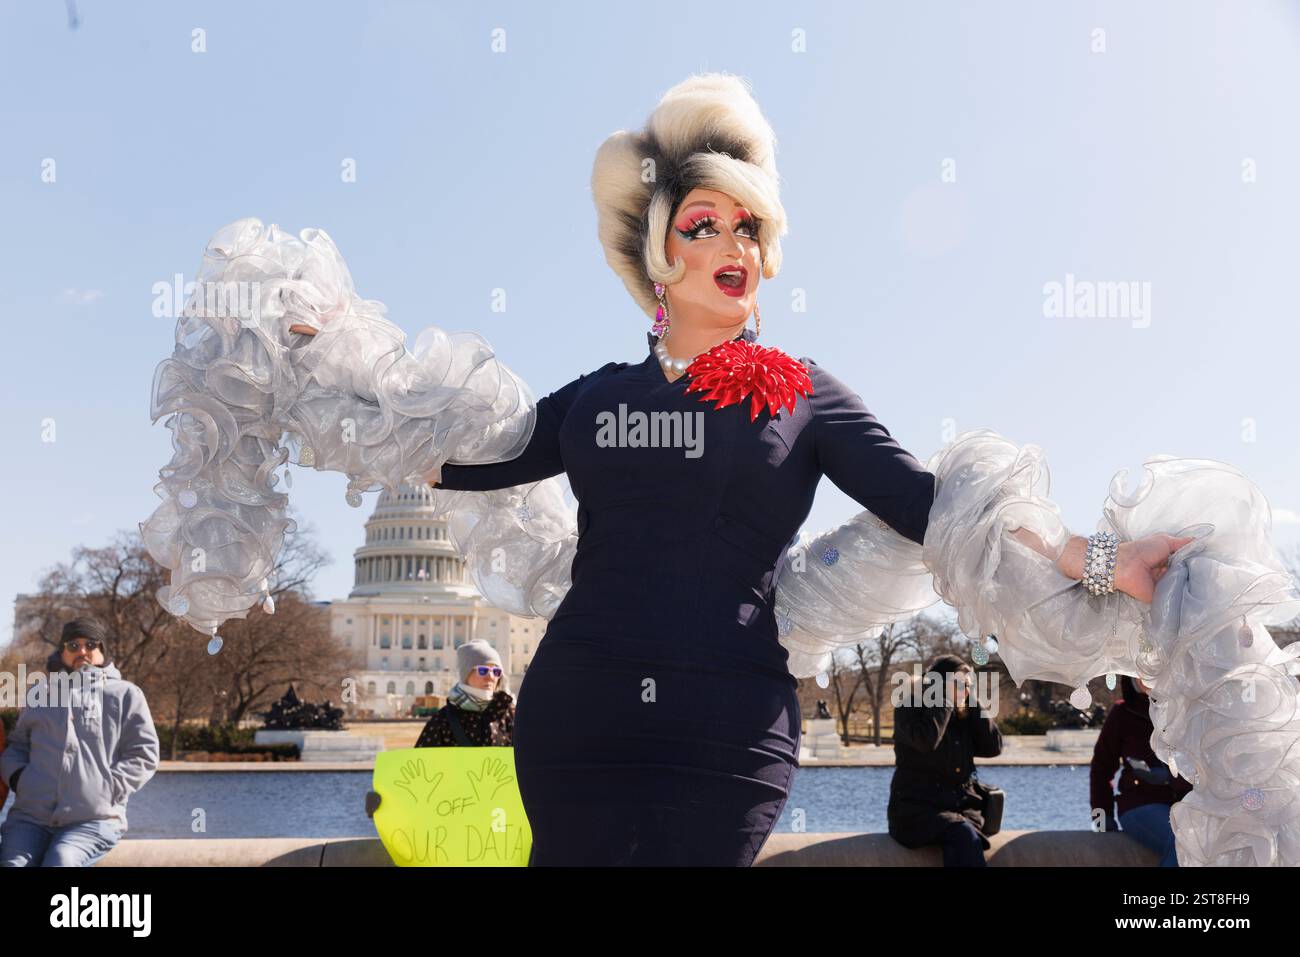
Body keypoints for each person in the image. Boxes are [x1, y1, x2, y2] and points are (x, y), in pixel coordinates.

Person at [143, 72, 1300, 865]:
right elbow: (455, 464)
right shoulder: (594, 400)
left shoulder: (806, 394)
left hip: (727, 728)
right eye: (703, 225)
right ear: (655, 256)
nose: (732, 247)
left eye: (748, 227)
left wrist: (1108, 556)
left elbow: (941, 514)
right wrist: (321, 360)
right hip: (579, 713)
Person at [0, 618, 160, 867]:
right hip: (31, 818)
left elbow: (143, 754)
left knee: (61, 861)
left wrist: (108, 788)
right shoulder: (39, 694)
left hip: (92, 820)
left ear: (101, 651)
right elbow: (17, 747)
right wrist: (20, 779)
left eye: (90, 644)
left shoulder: (126, 694)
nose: (82, 651)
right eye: (73, 645)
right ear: (62, 651)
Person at [364, 640, 514, 819]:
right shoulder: (443, 720)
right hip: (454, 815)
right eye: (483, 670)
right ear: (466, 674)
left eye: (496, 671)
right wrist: (385, 801)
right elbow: (418, 774)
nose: (490, 677)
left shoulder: (510, 715)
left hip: (500, 814)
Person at [888, 656, 1003, 866]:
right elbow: (926, 740)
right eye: (958, 684)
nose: (965, 690)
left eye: (968, 685)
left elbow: (993, 747)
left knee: (964, 834)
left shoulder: (964, 715)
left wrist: (973, 702)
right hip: (916, 810)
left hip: (962, 809)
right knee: (963, 834)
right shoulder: (909, 707)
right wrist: (945, 701)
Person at [1090, 674, 1192, 866]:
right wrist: (1101, 819)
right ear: (1129, 678)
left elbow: (1206, 767)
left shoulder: (1185, 712)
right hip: (1138, 806)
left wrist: (1171, 779)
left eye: (1154, 671)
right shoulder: (1122, 713)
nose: (1146, 679)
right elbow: (1101, 769)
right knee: (1181, 841)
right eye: (1139, 674)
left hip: (1185, 808)